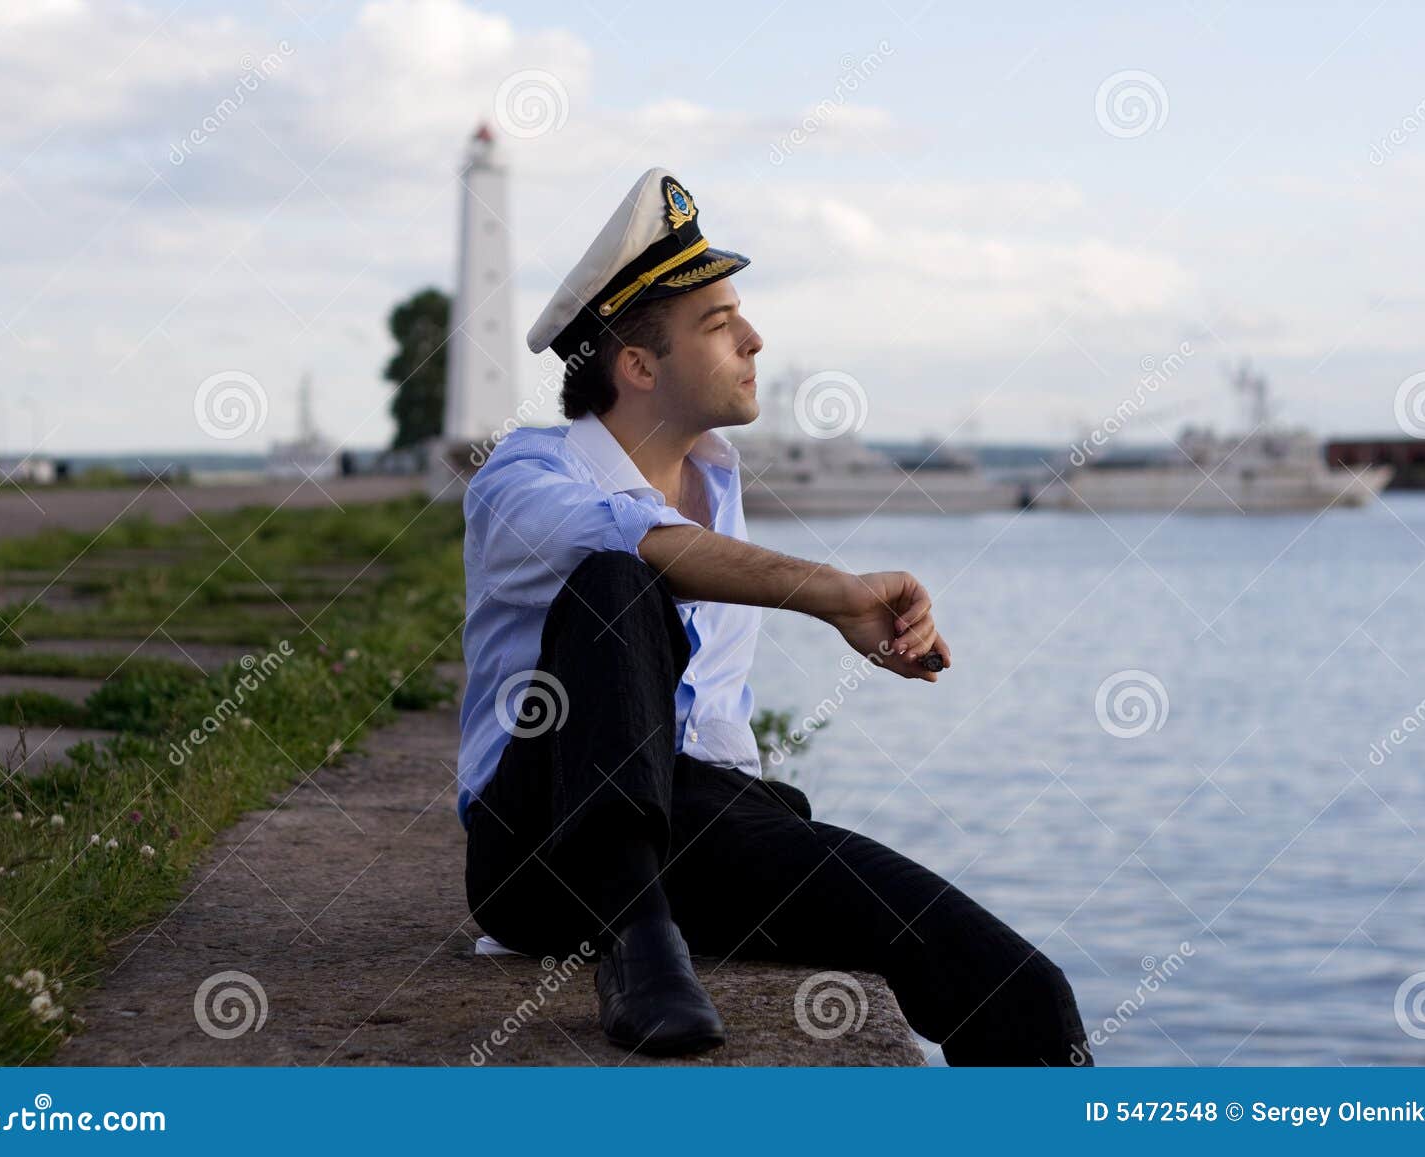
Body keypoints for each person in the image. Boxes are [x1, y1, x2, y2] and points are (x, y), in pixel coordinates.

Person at [456, 168, 1090, 1064]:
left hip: (703, 819)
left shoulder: (717, 478)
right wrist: (836, 595)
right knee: (617, 581)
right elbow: (643, 542)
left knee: (1016, 985)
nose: (753, 339)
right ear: (637, 364)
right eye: (717, 325)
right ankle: (637, 949)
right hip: (541, 842)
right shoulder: (522, 477)